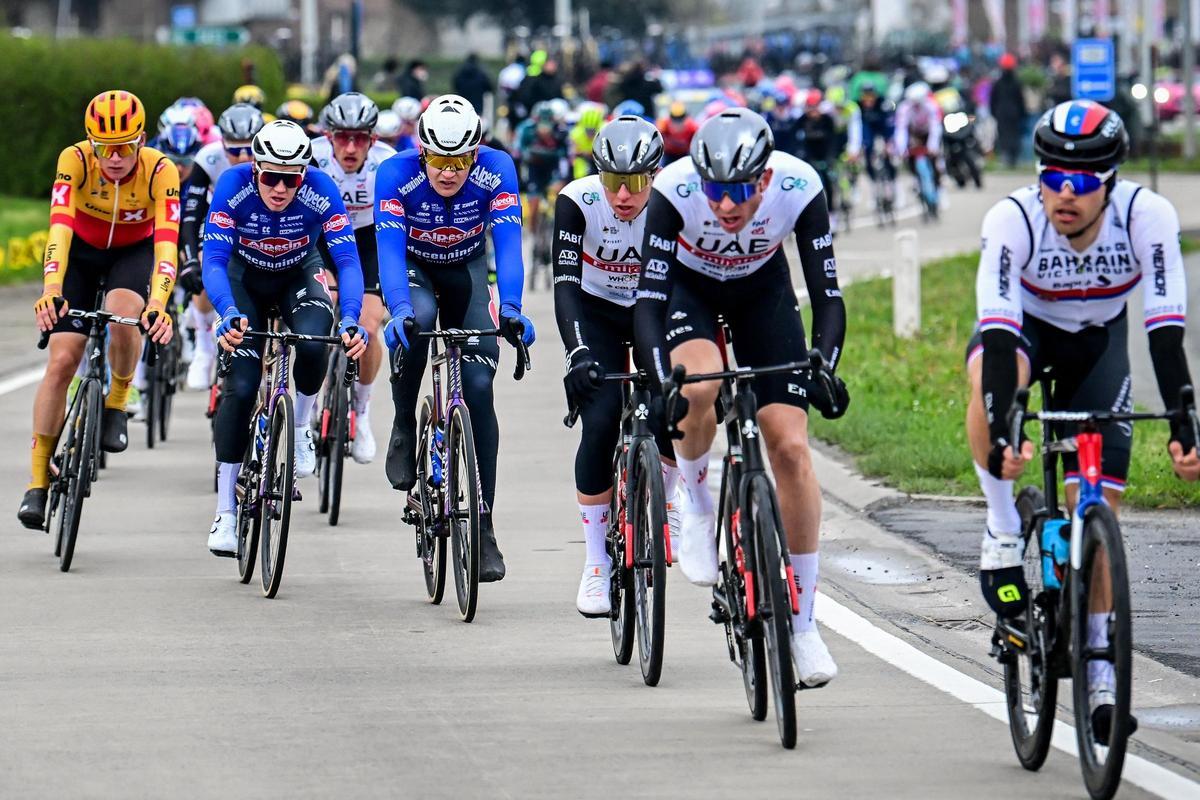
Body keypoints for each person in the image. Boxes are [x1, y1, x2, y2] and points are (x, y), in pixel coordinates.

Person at [967, 100, 1199, 742]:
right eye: (1053, 176)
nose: (1065, 193)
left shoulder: (1147, 217)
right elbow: (996, 324)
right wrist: (1007, 432)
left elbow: (1164, 326)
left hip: (1098, 345)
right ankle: (1002, 522)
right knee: (994, 373)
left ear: (1112, 182)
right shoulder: (1012, 218)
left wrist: (1184, 425)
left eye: (1083, 180)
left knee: (1095, 509)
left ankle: (1100, 683)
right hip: (1025, 333)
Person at [633, 108, 849, 687]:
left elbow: (827, 295)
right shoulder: (672, 192)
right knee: (698, 384)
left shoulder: (801, 188)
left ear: (766, 180)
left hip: (763, 294)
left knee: (791, 448)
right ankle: (698, 510)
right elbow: (648, 304)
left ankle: (803, 626)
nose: (726, 207)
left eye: (739, 192)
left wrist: (825, 365)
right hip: (689, 292)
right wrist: (661, 384)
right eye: (715, 191)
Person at [375, 95, 535, 583]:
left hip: (467, 272)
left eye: (460, 161)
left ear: (476, 153)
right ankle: (405, 424)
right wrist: (398, 307)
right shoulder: (394, 174)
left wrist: (511, 307)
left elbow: (508, 246)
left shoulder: (498, 169)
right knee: (417, 321)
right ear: (422, 153)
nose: (449, 173)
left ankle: (483, 525)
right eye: (440, 161)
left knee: (481, 390)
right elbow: (388, 248)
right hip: (415, 271)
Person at [201, 120, 367, 556]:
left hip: (298, 272)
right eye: (270, 177)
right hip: (243, 280)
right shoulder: (232, 185)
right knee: (238, 387)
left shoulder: (321, 189)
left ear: (303, 175)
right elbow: (215, 259)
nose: (279, 188)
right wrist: (228, 312)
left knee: (315, 343)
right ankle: (225, 512)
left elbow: (347, 262)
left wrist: (351, 318)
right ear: (255, 169)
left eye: (289, 178)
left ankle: (299, 428)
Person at [19, 90, 178, 528]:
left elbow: (167, 243)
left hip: (132, 255)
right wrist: (52, 288)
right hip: (81, 258)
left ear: (142, 139)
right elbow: (59, 228)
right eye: (103, 147)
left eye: (126, 146)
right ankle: (36, 482)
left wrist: (160, 304)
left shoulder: (160, 170)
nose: (114, 157)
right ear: (89, 143)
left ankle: (118, 401)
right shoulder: (73, 160)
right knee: (62, 361)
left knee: (125, 312)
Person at [552, 116, 680, 615]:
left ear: (656, 175)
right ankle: (596, 564)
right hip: (598, 312)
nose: (622, 195)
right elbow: (565, 286)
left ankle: (665, 503)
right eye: (612, 181)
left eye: (635, 183)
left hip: (655, 308)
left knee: (672, 407)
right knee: (601, 421)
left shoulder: (672, 204)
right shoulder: (576, 201)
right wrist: (578, 351)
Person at [312, 93, 396, 463]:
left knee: (368, 324)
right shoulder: (311, 156)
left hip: (367, 242)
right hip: (320, 238)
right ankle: (311, 399)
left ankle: (360, 413)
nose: (350, 147)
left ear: (372, 141)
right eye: (342, 137)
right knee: (315, 315)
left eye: (359, 138)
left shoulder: (387, 163)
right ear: (328, 136)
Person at [178, 103, 265, 390]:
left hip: (257, 222)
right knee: (204, 268)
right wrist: (191, 259)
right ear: (221, 143)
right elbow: (190, 215)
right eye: (234, 149)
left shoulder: (272, 159)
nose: (241, 157)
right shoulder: (208, 158)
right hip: (218, 218)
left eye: (248, 150)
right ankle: (203, 347)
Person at [990, 54, 1026, 168]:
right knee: (1014, 135)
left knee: (1003, 135)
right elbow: (1020, 100)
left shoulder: (998, 83)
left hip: (1001, 113)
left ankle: (1006, 158)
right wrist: (1022, 113)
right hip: (1014, 113)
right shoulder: (1017, 83)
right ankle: (1013, 159)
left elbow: (992, 100)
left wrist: (994, 112)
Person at [568, 104, 605, 179]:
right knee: (579, 172)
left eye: (593, 131)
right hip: (583, 159)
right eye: (587, 130)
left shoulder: (604, 133)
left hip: (599, 160)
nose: (590, 134)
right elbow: (573, 155)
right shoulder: (575, 134)